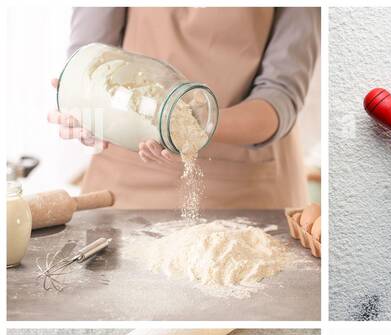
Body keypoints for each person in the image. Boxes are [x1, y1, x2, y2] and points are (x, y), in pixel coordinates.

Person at [51, 7, 319, 208]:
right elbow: (91, 61)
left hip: (246, 184)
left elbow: (280, 94)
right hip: (127, 172)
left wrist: (192, 126)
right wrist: (85, 113)